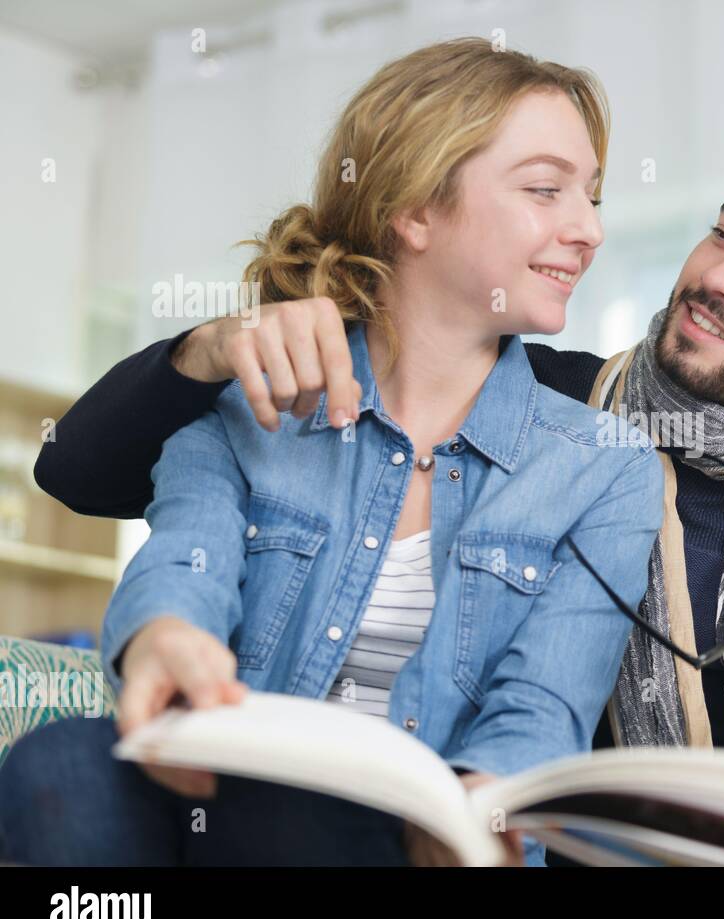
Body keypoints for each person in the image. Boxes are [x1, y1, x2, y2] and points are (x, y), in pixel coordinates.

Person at [27, 93, 724, 866]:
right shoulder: (550, 401)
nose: (717, 276)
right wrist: (204, 350)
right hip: (556, 849)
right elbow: (86, 472)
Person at [0, 38, 664, 868]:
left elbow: (542, 707)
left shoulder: (606, 465)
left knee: (307, 821)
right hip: (231, 813)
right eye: (545, 190)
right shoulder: (250, 404)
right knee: (60, 762)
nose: (591, 230)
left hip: (417, 842)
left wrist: (478, 800)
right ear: (415, 210)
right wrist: (167, 638)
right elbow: (184, 561)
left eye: (592, 197)